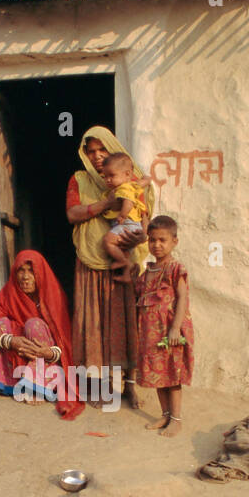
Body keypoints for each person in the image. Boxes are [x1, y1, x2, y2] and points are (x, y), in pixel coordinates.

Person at [66, 126, 153, 409]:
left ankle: (129, 386)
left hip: (123, 261)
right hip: (91, 260)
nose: (96, 156)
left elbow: (145, 214)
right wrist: (106, 203)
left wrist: (139, 238)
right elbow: (72, 213)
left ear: (112, 146)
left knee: (126, 323)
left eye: (101, 149)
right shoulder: (80, 179)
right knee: (94, 323)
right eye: (90, 151)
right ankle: (100, 386)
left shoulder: (132, 179)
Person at [0, 249, 85, 420]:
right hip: (20, 351)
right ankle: (8, 383)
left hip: (47, 358)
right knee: (0, 323)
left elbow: (65, 341)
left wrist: (49, 353)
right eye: (21, 270)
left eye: (31, 270)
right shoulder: (9, 294)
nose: (25, 277)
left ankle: (40, 384)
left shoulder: (54, 297)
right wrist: (10, 340)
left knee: (33, 324)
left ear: (40, 273)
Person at [135, 216, 193, 436]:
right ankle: (165, 414)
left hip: (170, 331)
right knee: (159, 375)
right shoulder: (148, 271)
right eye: (152, 240)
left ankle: (176, 419)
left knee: (172, 374)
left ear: (174, 242)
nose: (156, 245)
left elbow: (182, 298)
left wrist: (175, 328)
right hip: (151, 333)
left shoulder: (176, 268)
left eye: (162, 240)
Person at [98, 152, 149, 280]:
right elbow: (142, 183)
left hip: (127, 223)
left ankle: (123, 262)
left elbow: (128, 202)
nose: (107, 180)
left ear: (127, 174)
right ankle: (127, 273)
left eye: (112, 176)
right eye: (105, 177)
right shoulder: (132, 186)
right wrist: (147, 179)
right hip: (133, 227)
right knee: (125, 252)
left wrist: (122, 214)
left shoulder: (123, 189)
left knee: (107, 241)